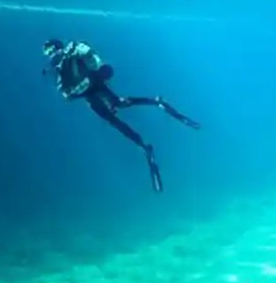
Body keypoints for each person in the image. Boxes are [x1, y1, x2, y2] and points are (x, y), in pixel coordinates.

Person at [43, 38, 200, 192]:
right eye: (48, 52)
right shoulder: (57, 67)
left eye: (52, 50)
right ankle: (144, 143)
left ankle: (155, 103)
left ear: (58, 47)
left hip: (93, 86)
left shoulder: (71, 51)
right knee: (113, 118)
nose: (51, 54)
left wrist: (94, 68)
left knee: (118, 104)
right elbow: (64, 92)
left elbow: (90, 58)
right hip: (88, 92)